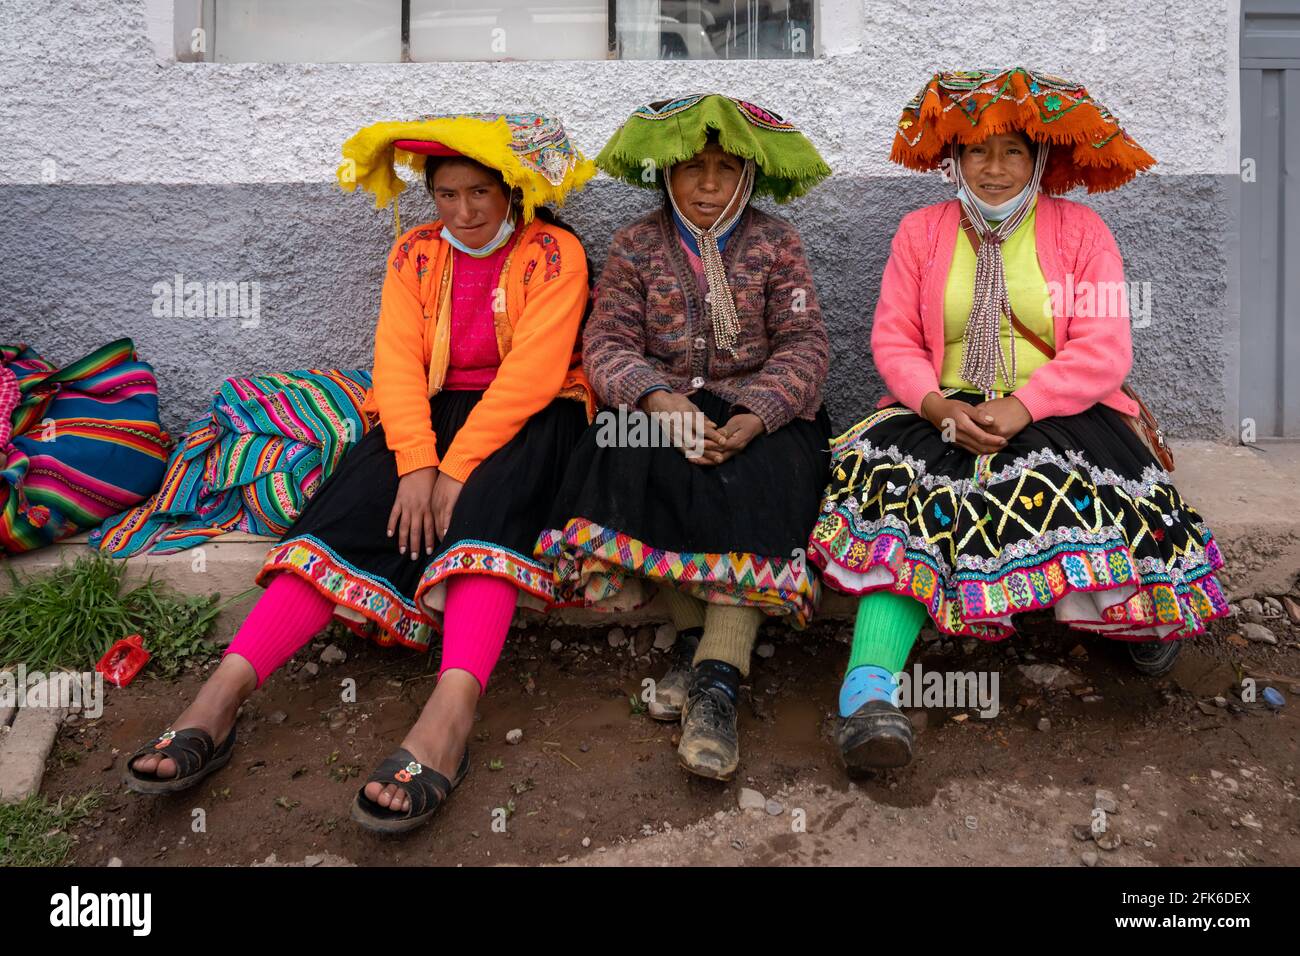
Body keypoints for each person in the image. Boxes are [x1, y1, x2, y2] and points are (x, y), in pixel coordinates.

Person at [124, 113, 597, 833]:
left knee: (487, 515)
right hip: (433, 409)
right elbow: (398, 362)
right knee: (345, 510)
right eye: (446, 195)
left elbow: (532, 375)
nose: (464, 213)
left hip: (533, 414)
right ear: (429, 196)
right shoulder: (414, 252)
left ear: (514, 193)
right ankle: (218, 698)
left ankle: (449, 718)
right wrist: (414, 463)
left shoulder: (553, 253)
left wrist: (458, 469)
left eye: (480, 194)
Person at [808, 68, 1229, 772]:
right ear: (954, 161)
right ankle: (869, 695)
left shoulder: (1079, 230)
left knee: (1071, 493)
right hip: (939, 408)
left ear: (1039, 159)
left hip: (1059, 409)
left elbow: (1104, 349)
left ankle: (1135, 628)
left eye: (1011, 151)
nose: (994, 168)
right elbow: (894, 342)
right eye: (977, 152)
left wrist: (1022, 405)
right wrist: (940, 407)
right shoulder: (920, 232)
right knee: (909, 504)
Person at [538, 94, 832, 782]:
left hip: (762, 413)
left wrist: (754, 415)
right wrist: (663, 404)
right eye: (693, 169)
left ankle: (714, 684)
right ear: (666, 174)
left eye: (725, 169)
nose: (708, 185)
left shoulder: (777, 243)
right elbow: (606, 343)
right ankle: (704, 639)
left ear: (749, 176)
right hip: (664, 401)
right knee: (622, 452)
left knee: (760, 479)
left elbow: (806, 345)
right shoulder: (637, 245)